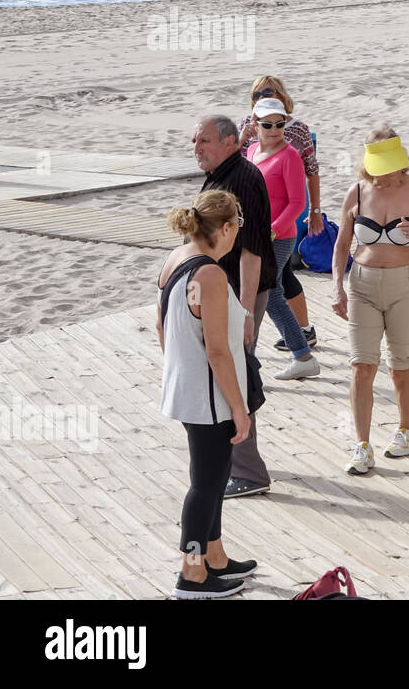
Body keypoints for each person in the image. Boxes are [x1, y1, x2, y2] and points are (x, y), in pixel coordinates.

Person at [157, 189, 255, 598]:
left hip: (184, 388)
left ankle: (214, 557)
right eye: (239, 227)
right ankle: (191, 572)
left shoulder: (176, 258)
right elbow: (217, 350)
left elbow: (162, 326)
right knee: (206, 484)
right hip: (210, 398)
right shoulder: (211, 275)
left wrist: (181, 369)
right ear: (228, 227)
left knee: (210, 479)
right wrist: (239, 407)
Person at [331, 127, 409, 475]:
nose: (383, 175)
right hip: (362, 284)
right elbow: (341, 245)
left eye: (389, 167)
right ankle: (362, 445)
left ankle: (406, 430)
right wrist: (338, 286)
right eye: (377, 168)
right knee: (362, 367)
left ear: (402, 162)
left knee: (400, 369)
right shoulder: (357, 193)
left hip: (406, 285)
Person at [194, 115, 275, 499]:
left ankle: (249, 470)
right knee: (230, 372)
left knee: (235, 375)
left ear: (229, 141)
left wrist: (244, 312)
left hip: (239, 293)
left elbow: (252, 252)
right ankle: (240, 456)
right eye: (195, 141)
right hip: (221, 290)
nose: (197, 148)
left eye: (204, 141)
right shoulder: (219, 173)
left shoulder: (242, 178)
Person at [236, 76, 321, 352]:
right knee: (270, 288)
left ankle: (273, 351)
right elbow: (235, 173)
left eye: (279, 124)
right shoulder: (249, 145)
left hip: (279, 232)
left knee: (270, 290)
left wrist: (314, 212)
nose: (274, 129)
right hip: (254, 230)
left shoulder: (292, 145)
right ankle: (300, 349)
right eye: (257, 93)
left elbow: (307, 181)